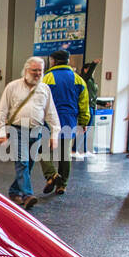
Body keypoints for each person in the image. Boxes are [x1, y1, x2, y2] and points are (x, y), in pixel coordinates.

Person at [0, 56, 60, 210]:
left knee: (28, 165)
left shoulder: (45, 89)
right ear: (26, 70)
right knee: (22, 163)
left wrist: (54, 134)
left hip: (36, 132)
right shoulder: (12, 87)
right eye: (34, 70)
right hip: (18, 130)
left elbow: (51, 113)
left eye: (40, 70)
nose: (37, 73)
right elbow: (2, 110)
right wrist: (1, 132)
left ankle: (14, 191)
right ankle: (27, 195)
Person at [40, 50, 90, 195]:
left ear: (53, 61)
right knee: (65, 154)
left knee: (43, 149)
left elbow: (40, 100)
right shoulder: (78, 79)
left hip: (50, 120)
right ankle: (62, 185)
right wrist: (83, 121)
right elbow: (83, 103)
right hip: (69, 119)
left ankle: (51, 174)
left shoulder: (47, 78)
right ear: (68, 61)